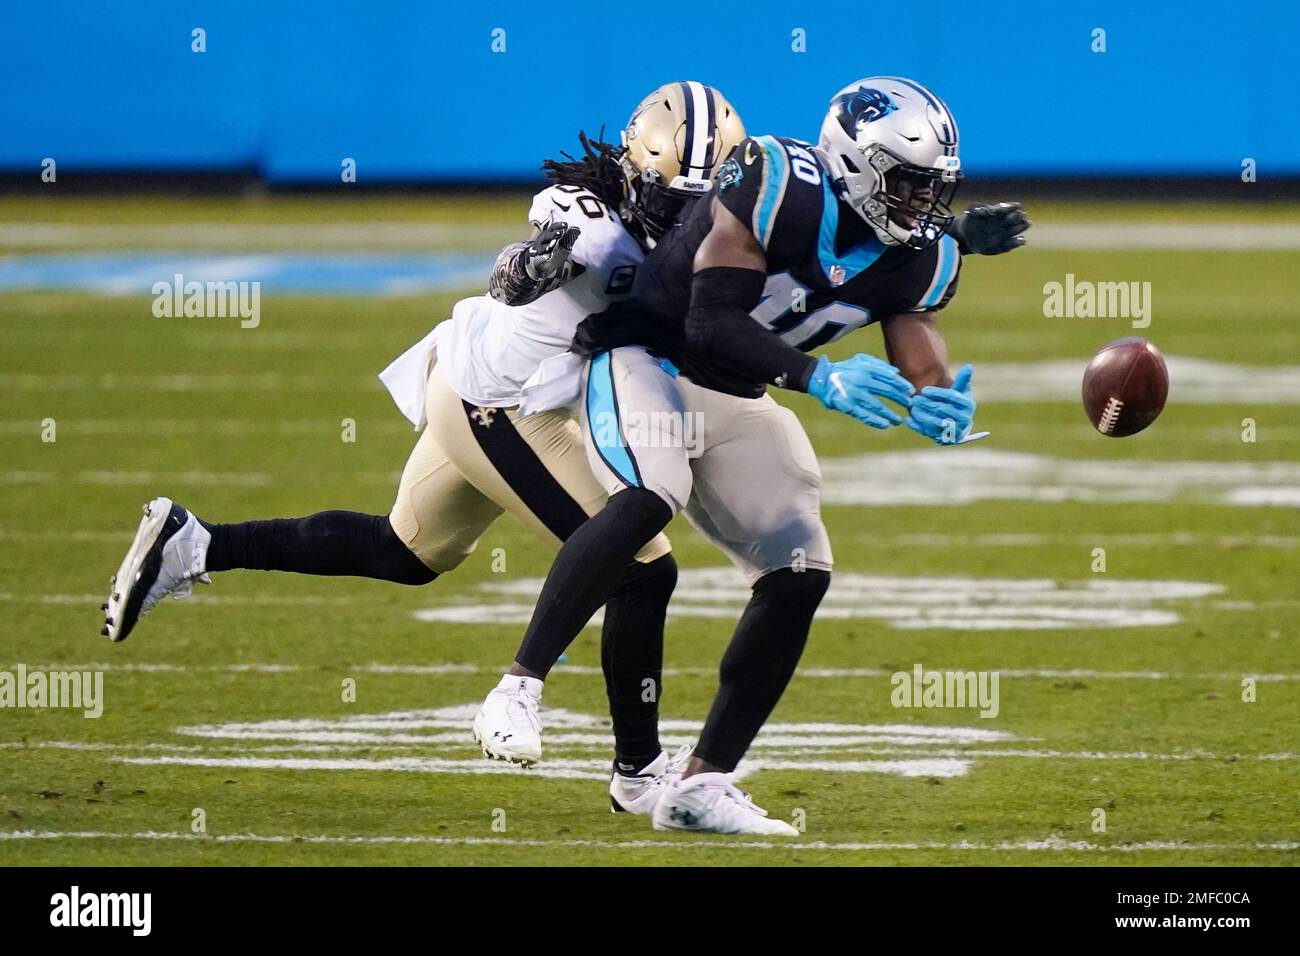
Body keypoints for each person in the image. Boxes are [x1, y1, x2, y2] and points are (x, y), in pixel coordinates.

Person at [101, 82, 746, 816]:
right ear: (634, 169)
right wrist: (534, 268)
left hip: (480, 389)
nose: (683, 217)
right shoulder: (587, 219)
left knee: (403, 553)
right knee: (641, 567)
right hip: (494, 406)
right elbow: (514, 269)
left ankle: (196, 544)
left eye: (698, 201)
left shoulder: (720, 229)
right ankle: (635, 770)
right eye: (671, 199)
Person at [470, 76, 1030, 834]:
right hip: (650, 355)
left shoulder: (925, 253)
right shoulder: (776, 182)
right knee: (648, 496)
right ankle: (519, 687)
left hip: (736, 390)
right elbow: (707, 320)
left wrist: (935, 393)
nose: (921, 204)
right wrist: (818, 377)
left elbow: (912, 320)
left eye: (933, 188)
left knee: (800, 569)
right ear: (856, 164)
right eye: (907, 183)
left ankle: (701, 787)